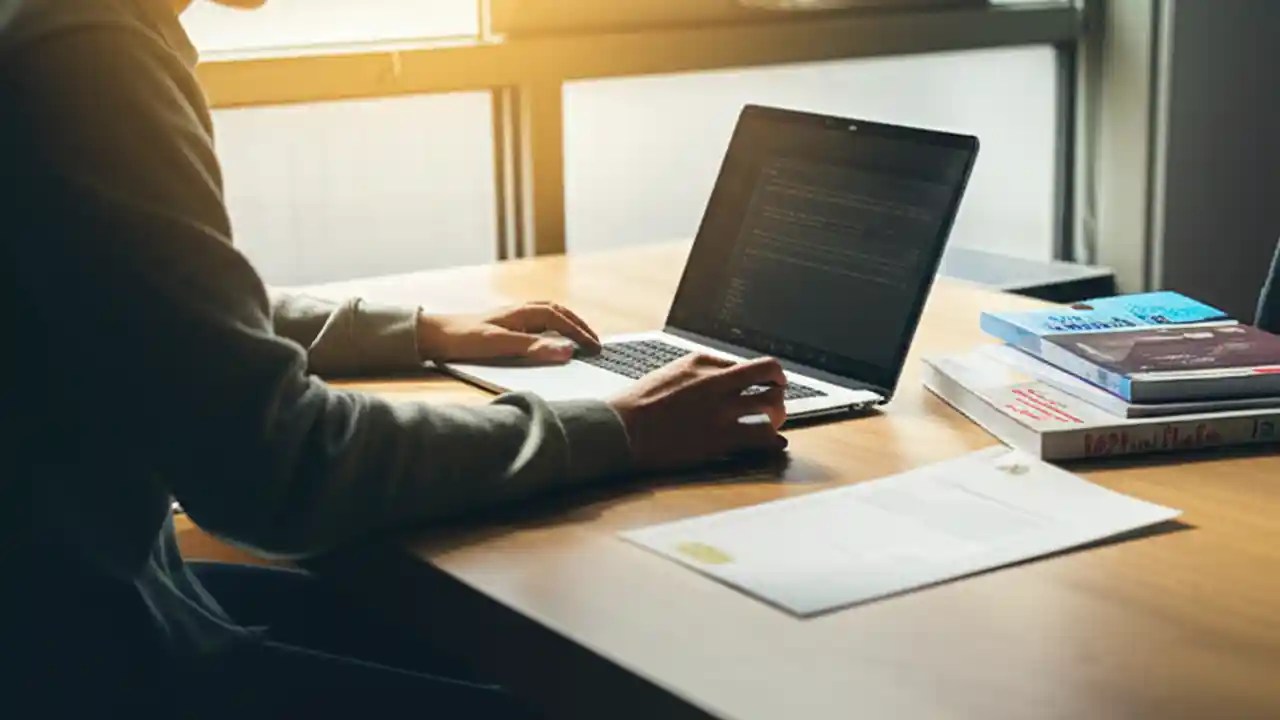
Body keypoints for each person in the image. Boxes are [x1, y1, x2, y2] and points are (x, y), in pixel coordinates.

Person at [0, 0, 788, 716]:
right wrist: (618, 430)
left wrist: (417, 330)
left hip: (92, 609)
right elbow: (275, 470)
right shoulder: (83, 51)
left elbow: (148, 300)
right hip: (88, 665)